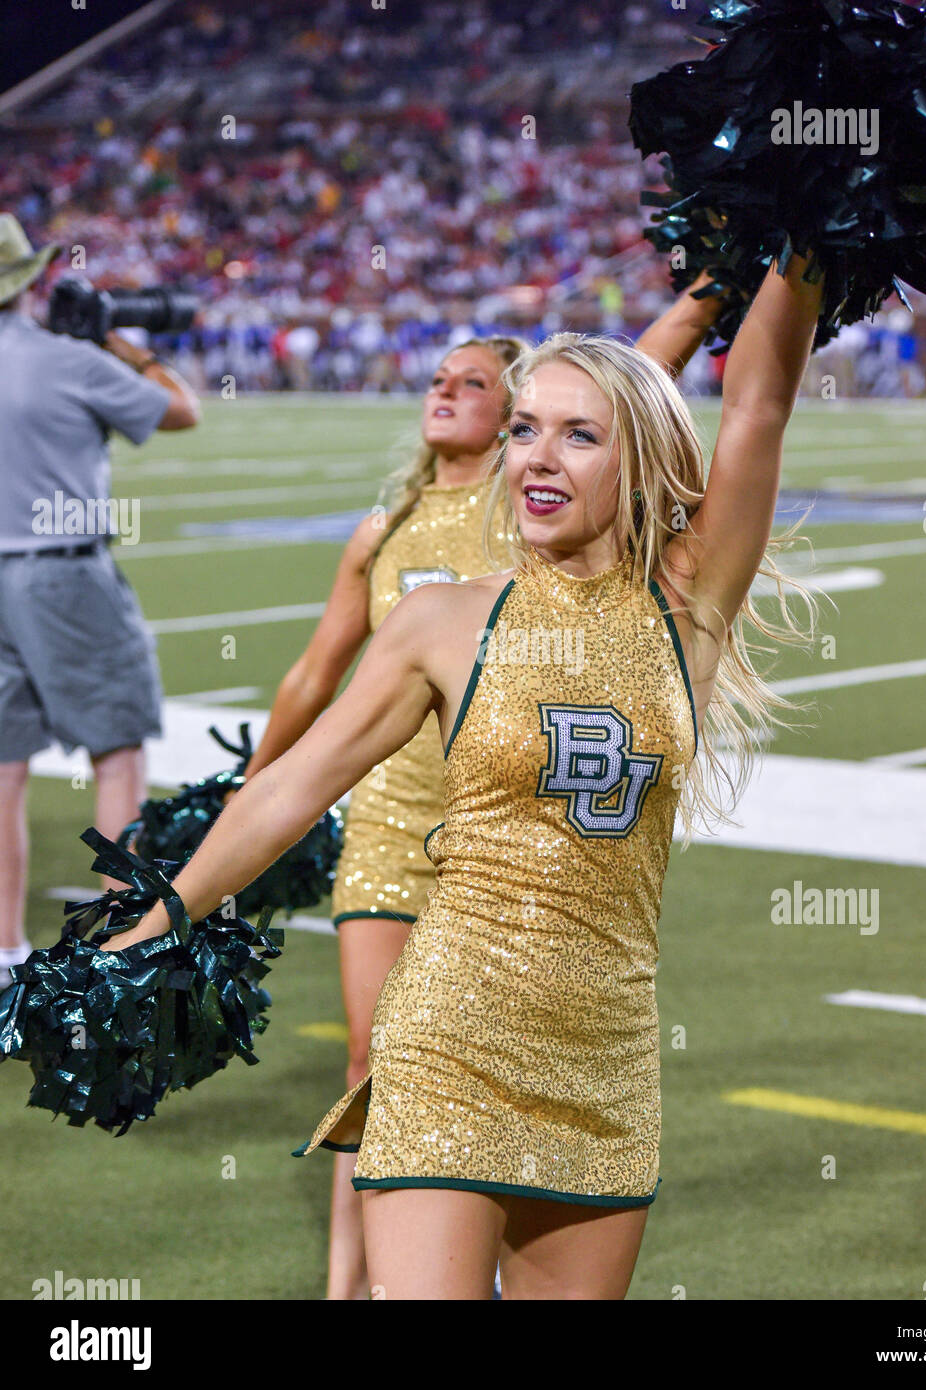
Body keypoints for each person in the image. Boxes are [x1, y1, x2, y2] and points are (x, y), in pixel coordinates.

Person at [103, 251, 823, 1299]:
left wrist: (812, 227)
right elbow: (292, 787)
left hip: (607, 1055)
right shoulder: (441, 621)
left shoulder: (688, 604)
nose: (536, 457)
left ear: (642, 463)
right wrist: (152, 926)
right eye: (524, 428)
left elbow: (758, 403)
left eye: (578, 435)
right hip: (450, 1034)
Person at [235, 276, 723, 1299]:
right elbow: (315, 677)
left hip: (531, 827)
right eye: (438, 377)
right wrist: (245, 791)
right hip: (395, 815)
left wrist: (721, 282)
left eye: (473, 382)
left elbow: (623, 392)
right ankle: (353, 1282)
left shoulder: (530, 522)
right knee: (375, 1060)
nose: (446, 392)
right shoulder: (389, 525)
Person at [0, 214, 201, 990]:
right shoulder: (64, 359)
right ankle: (115, 957)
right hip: (62, 572)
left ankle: (5, 954)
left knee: (4, 769)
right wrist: (118, 339)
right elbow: (182, 408)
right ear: (28, 283)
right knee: (116, 753)